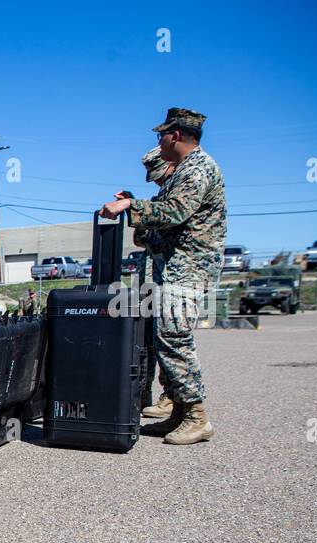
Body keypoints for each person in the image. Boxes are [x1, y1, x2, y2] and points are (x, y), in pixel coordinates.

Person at [100, 108, 224, 445]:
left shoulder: (198, 169)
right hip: (172, 268)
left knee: (175, 338)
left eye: (162, 135)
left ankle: (197, 417)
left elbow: (174, 212)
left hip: (188, 269)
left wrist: (130, 207)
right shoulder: (182, 172)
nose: (160, 140)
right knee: (165, 338)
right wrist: (136, 207)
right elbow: (157, 227)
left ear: (176, 135)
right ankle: (180, 413)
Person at [117, 146, 178, 417]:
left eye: (159, 173)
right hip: (149, 282)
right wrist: (133, 206)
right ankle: (143, 394)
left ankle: (173, 397)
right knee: (146, 342)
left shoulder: (178, 199)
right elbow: (143, 239)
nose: (157, 180)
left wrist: (136, 206)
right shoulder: (158, 200)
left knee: (169, 340)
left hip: (172, 279)